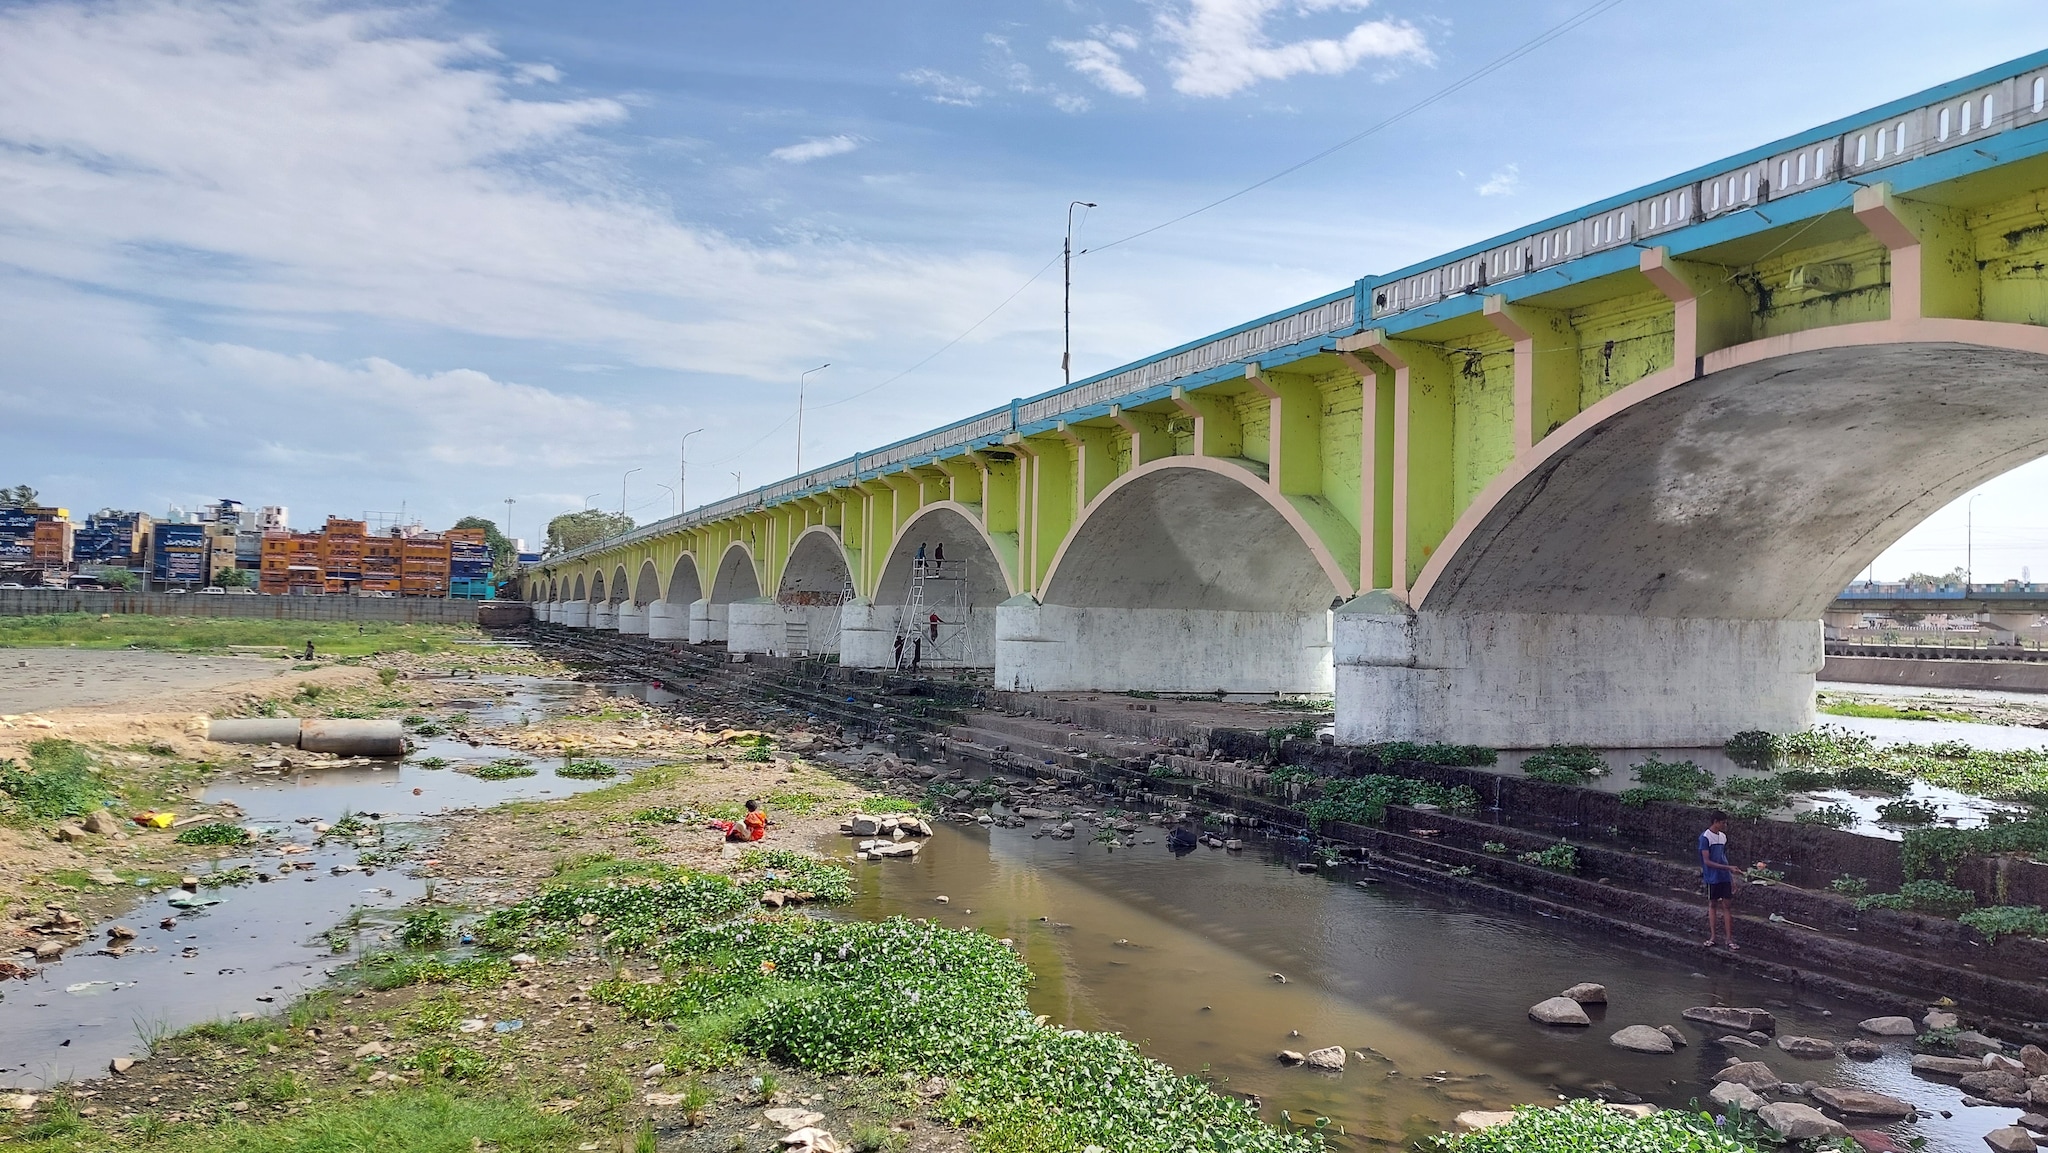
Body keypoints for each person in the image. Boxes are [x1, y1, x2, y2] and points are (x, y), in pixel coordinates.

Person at [1699, 810, 1737, 949]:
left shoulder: (1723, 837)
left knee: (1727, 906)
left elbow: (1723, 857)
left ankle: (1729, 939)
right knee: (1713, 905)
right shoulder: (1705, 837)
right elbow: (1707, 862)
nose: (1725, 825)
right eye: (1723, 823)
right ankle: (1713, 937)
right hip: (1712, 877)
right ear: (1715, 822)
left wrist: (1731, 877)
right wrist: (1728, 868)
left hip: (1724, 877)